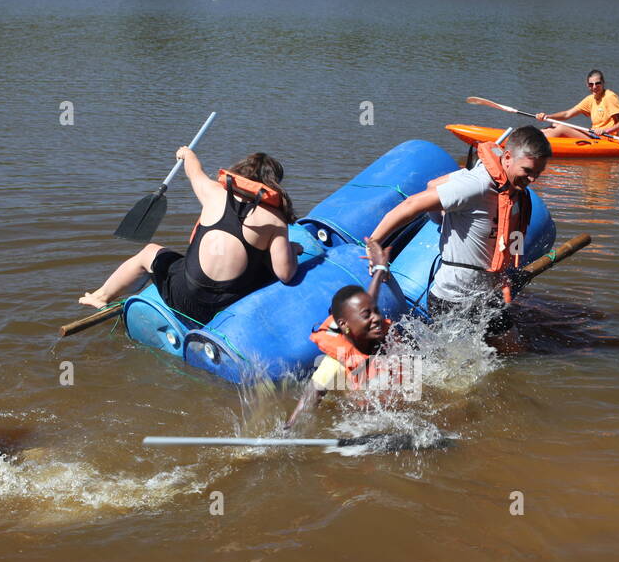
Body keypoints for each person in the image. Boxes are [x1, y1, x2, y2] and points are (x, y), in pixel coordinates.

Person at [360, 125, 550, 345]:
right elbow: (413, 204)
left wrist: (507, 273)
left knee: (511, 349)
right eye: (527, 171)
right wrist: (374, 241)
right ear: (507, 158)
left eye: (538, 173)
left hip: (484, 294)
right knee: (467, 363)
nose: (533, 179)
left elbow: (514, 232)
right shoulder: (475, 185)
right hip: (454, 297)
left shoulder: (517, 192)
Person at [78, 150, 301, 327]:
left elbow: (194, 172)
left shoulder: (213, 192)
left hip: (183, 297)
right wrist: (292, 250)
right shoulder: (275, 220)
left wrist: (187, 154)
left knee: (149, 252)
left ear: (239, 173)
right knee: (264, 264)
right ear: (273, 185)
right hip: (224, 309)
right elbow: (285, 274)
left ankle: (101, 296)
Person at [285, 270, 395, 429]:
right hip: (361, 418)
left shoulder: (385, 336)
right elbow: (308, 402)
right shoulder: (333, 365)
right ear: (346, 327)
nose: (376, 319)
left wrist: (379, 270)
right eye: (365, 316)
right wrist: (289, 432)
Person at [535, 69, 619, 139]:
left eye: (597, 83)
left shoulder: (610, 97)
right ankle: (533, 136)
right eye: (591, 84)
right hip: (593, 134)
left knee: (561, 128)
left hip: (605, 137)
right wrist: (547, 116)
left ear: (603, 83)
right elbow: (567, 114)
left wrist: (605, 130)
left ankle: (536, 142)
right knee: (555, 124)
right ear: (587, 85)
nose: (594, 87)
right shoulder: (590, 99)